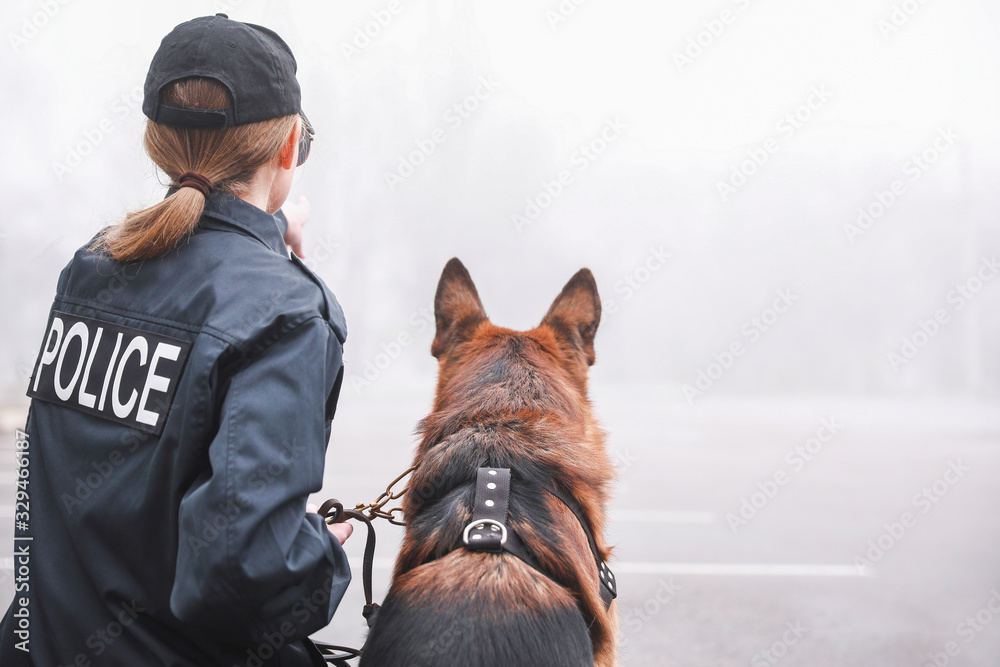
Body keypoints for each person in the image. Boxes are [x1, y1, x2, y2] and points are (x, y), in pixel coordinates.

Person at [0, 14, 354, 666]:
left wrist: (265, 243)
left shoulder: (90, 267)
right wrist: (320, 555)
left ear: (158, 143)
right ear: (286, 150)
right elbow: (243, 572)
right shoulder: (290, 314)